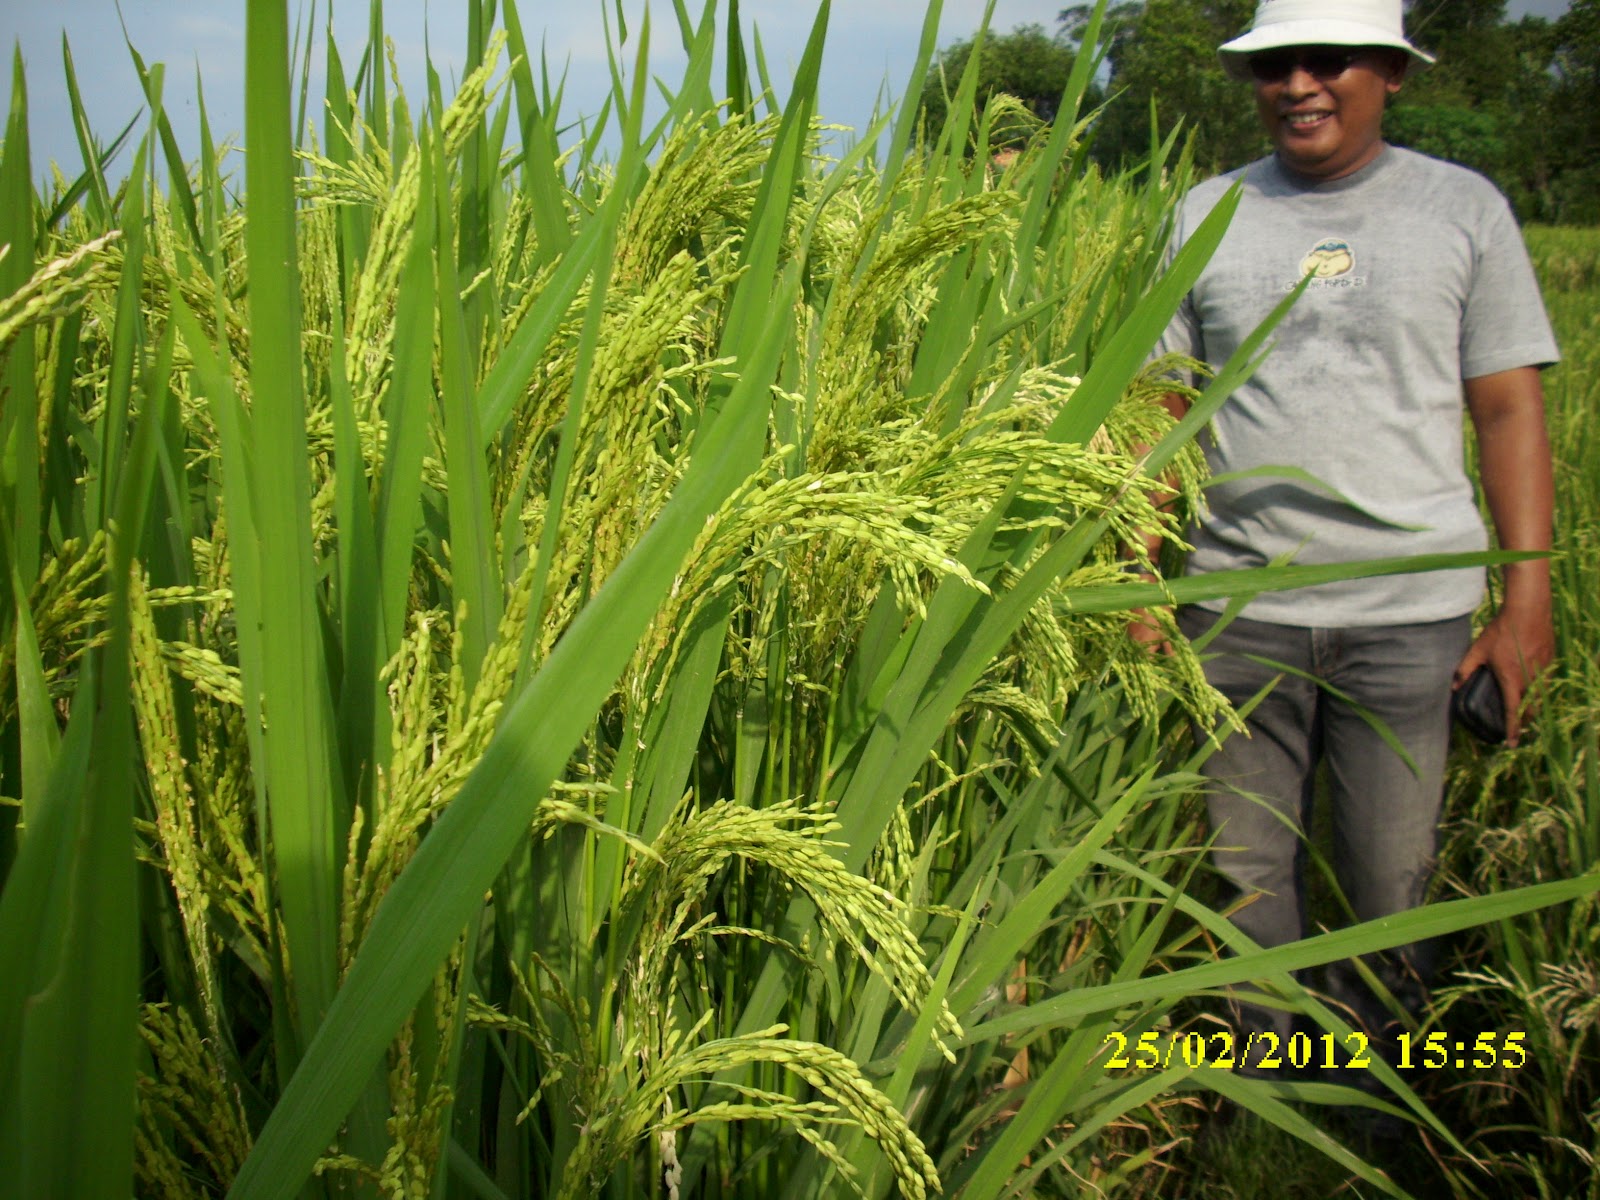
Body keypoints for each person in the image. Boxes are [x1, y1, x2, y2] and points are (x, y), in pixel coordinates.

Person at [1136, 0, 1560, 1087]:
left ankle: (1380, 1104)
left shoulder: (1461, 210)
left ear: (1391, 74)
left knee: (1388, 877)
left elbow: (1507, 409)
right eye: (1273, 65)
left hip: (1408, 616)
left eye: (1326, 61)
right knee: (1242, 873)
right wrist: (1136, 574)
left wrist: (1524, 604)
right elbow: (1154, 409)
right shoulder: (1207, 212)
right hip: (1234, 605)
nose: (1296, 85)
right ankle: (1262, 1091)